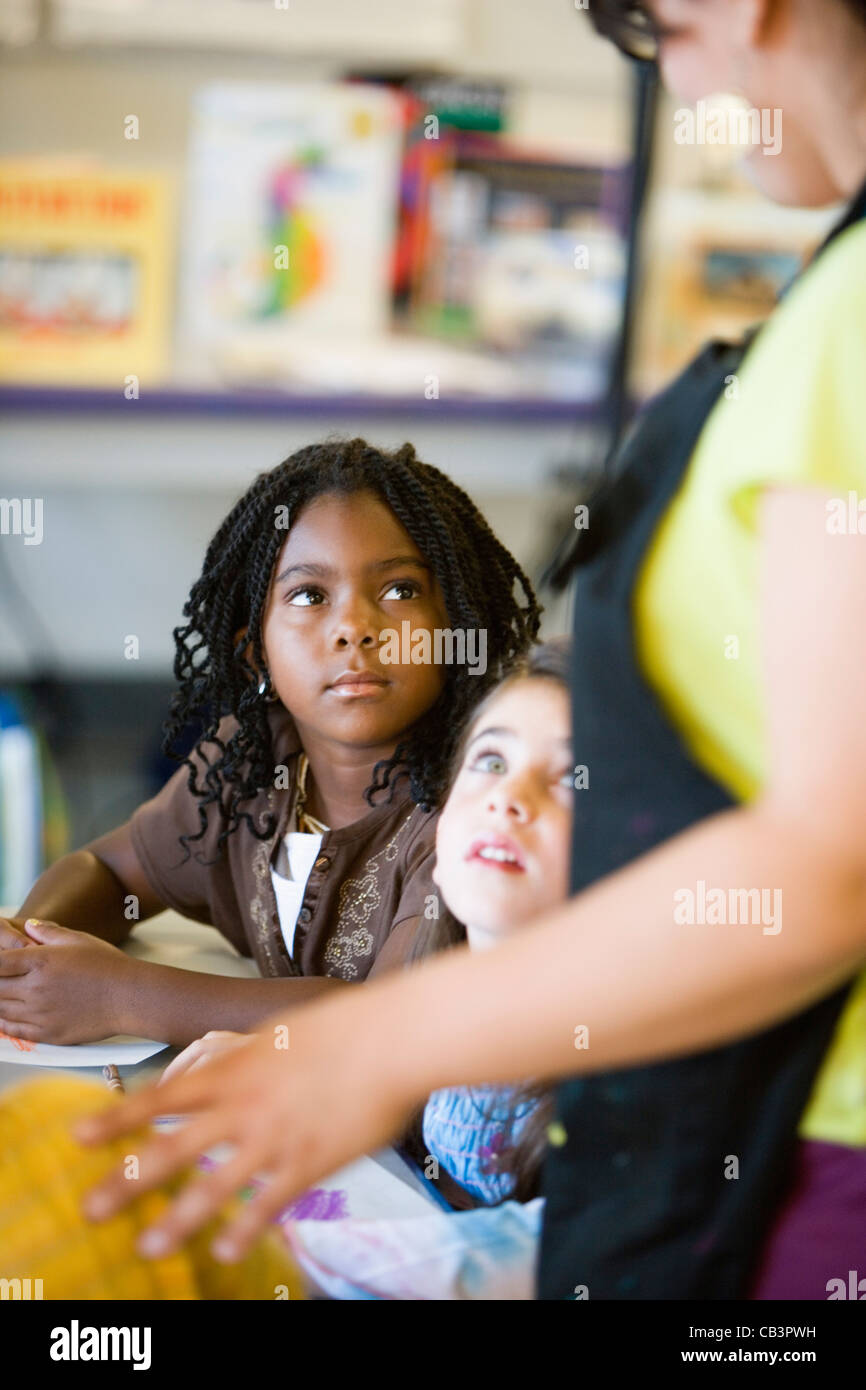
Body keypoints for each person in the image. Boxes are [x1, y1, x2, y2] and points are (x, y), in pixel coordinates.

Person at [76, 0, 866, 1299]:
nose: (671, 81)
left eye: (650, 34)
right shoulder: (828, 303)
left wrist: (378, 1048)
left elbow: (818, 861)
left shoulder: (846, 324)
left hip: (810, 1146)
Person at [0, 438, 539, 1048]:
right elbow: (112, 871)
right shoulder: (251, 762)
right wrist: (28, 947)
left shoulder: (477, 802)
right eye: (309, 595)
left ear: (457, 624)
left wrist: (119, 996)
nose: (354, 628)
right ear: (255, 650)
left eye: (400, 590)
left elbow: (383, 1019)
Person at [164, 640, 571, 1299]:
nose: (507, 798)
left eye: (570, 779)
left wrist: (270, 1260)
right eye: (491, 760)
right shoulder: (447, 987)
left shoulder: (629, 1056)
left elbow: (558, 1253)